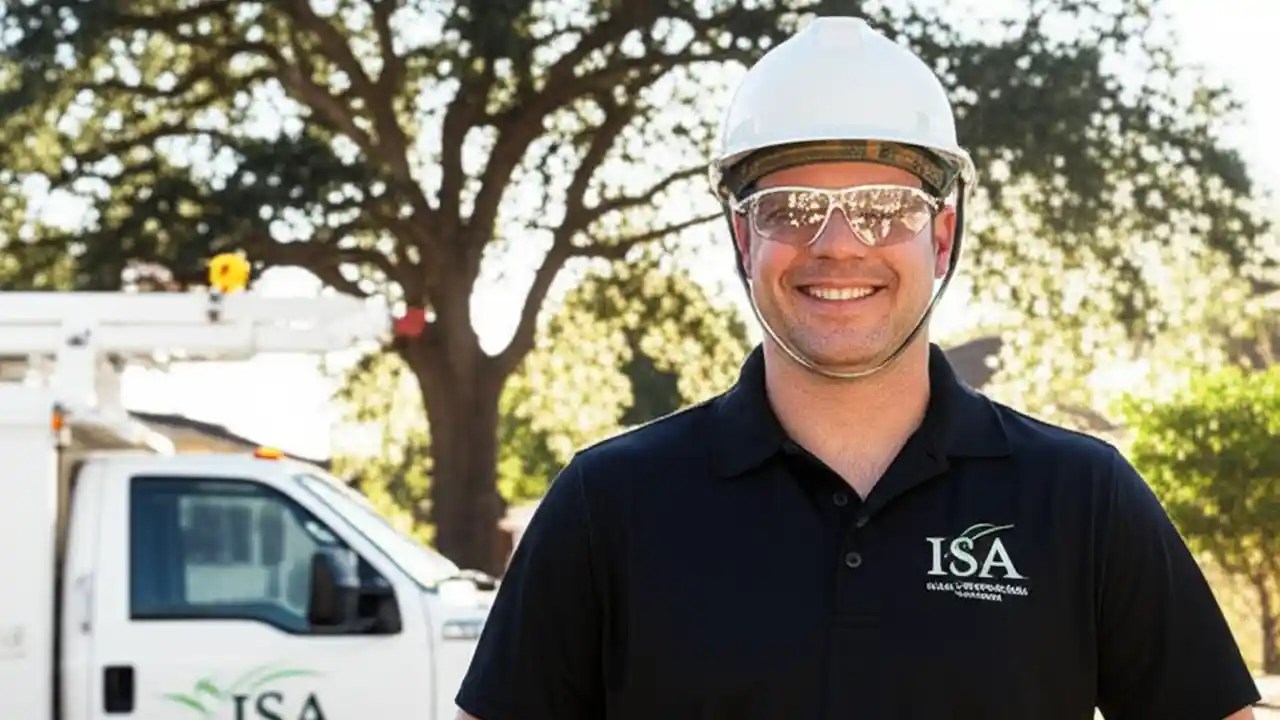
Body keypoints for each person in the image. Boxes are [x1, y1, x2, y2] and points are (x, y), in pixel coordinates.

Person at [454, 15, 1262, 720]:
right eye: (790, 210)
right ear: (744, 241)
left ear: (941, 237)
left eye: (885, 208)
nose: (838, 244)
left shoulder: (1083, 497)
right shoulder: (607, 505)